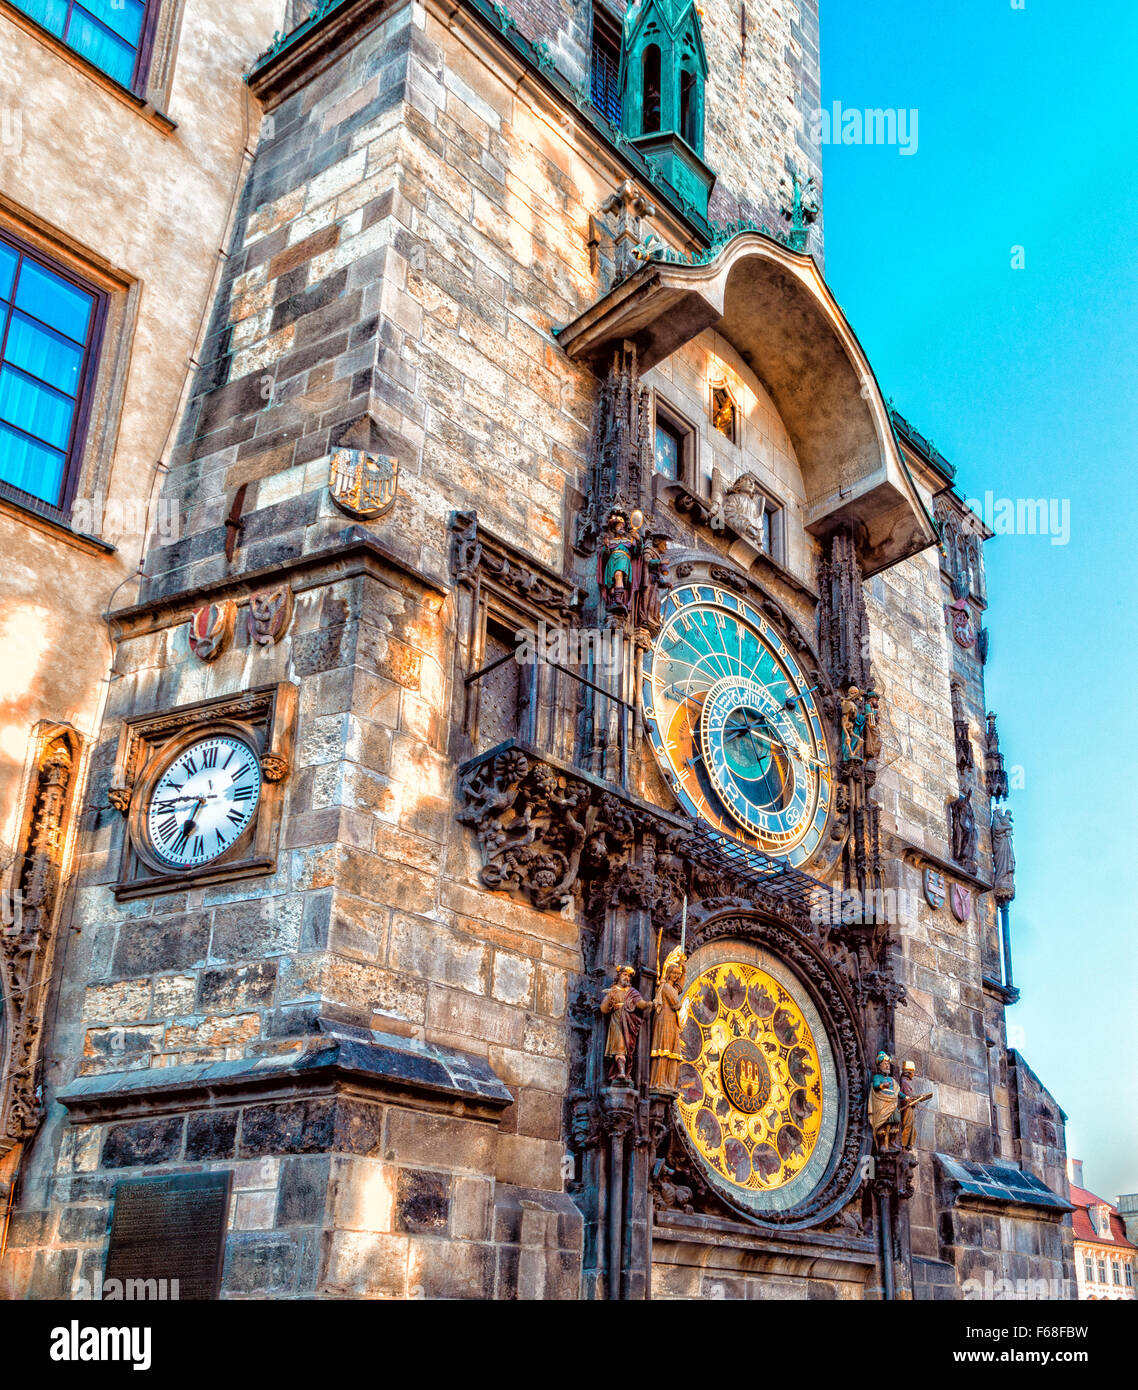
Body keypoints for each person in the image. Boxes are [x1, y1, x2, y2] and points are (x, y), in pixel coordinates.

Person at [600, 965, 651, 1082]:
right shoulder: (613, 991)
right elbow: (603, 1009)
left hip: (629, 1023)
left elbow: (640, 1003)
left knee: (628, 1049)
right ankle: (621, 1072)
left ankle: (624, 1071)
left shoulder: (632, 992)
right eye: (624, 975)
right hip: (617, 1021)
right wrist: (609, 998)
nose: (627, 978)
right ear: (619, 976)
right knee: (620, 1046)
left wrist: (649, 1004)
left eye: (629, 976)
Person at [649, 949, 686, 1092]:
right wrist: (686, 1004)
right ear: (669, 973)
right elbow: (676, 1004)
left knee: (671, 1051)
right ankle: (659, 1081)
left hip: (671, 1021)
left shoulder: (671, 987)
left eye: (678, 974)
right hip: (665, 1020)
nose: (677, 976)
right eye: (674, 973)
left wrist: (684, 968)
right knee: (663, 1049)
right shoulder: (665, 988)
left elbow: (680, 986)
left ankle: (668, 1082)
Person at [869, 1051, 901, 1150]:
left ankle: (892, 1142)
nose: (887, 1066)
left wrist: (906, 1098)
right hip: (881, 1103)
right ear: (879, 1066)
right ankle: (882, 1144)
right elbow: (875, 1086)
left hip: (892, 1102)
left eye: (888, 1064)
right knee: (882, 1124)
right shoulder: (877, 1077)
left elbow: (897, 1092)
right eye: (885, 1064)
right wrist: (883, 1085)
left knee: (896, 1122)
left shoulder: (892, 1080)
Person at [898, 1060, 932, 1150]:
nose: (913, 1074)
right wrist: (916, 1099)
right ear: (909, 1072)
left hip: (910, 1107)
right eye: (913, 1072)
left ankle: (906, 1145)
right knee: (907, 1126)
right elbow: (907, 1097)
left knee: (911, 1127)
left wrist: (918, 1097)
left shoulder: (906, 1082)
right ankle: (903, 1146)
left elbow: (910, 1096)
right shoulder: (904, 1082)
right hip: (907, 1108)